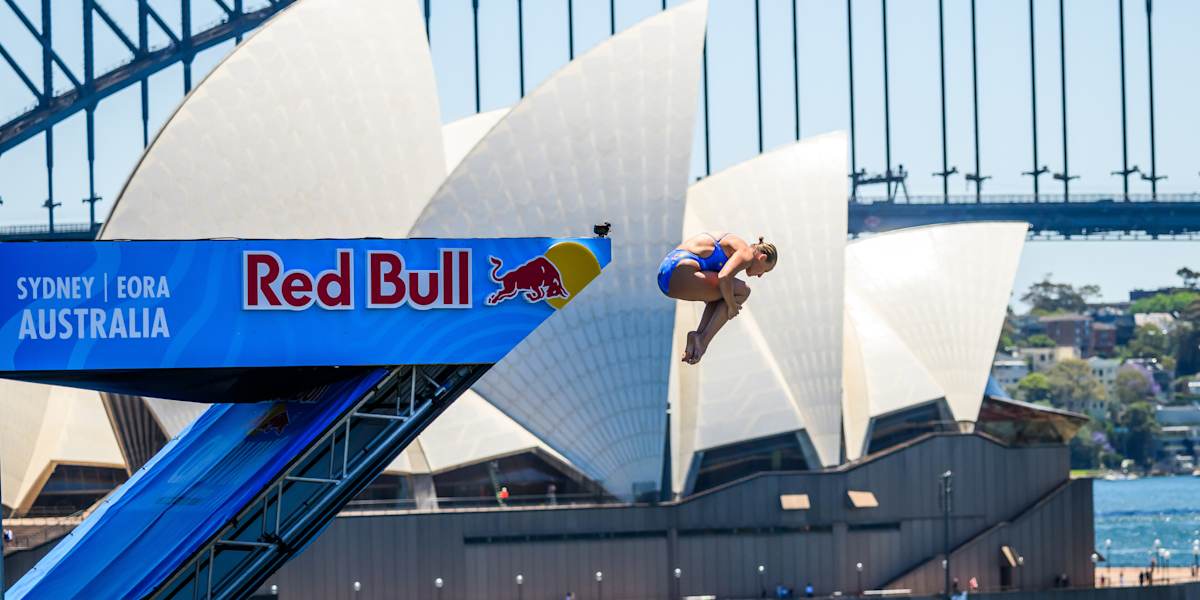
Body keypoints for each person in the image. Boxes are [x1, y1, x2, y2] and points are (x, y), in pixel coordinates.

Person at [657, 233, 778, 364]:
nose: (760, 275)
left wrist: (727, 300)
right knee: (743, 291)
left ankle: (698, 337)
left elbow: (716, 290)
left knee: (725, 294)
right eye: (764, 271)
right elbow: (724, 277)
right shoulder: (747, 254)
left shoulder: (733, 243)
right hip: (679, 272)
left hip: (667, 272)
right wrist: (732, 306)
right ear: (762, 257)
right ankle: (702, 341)